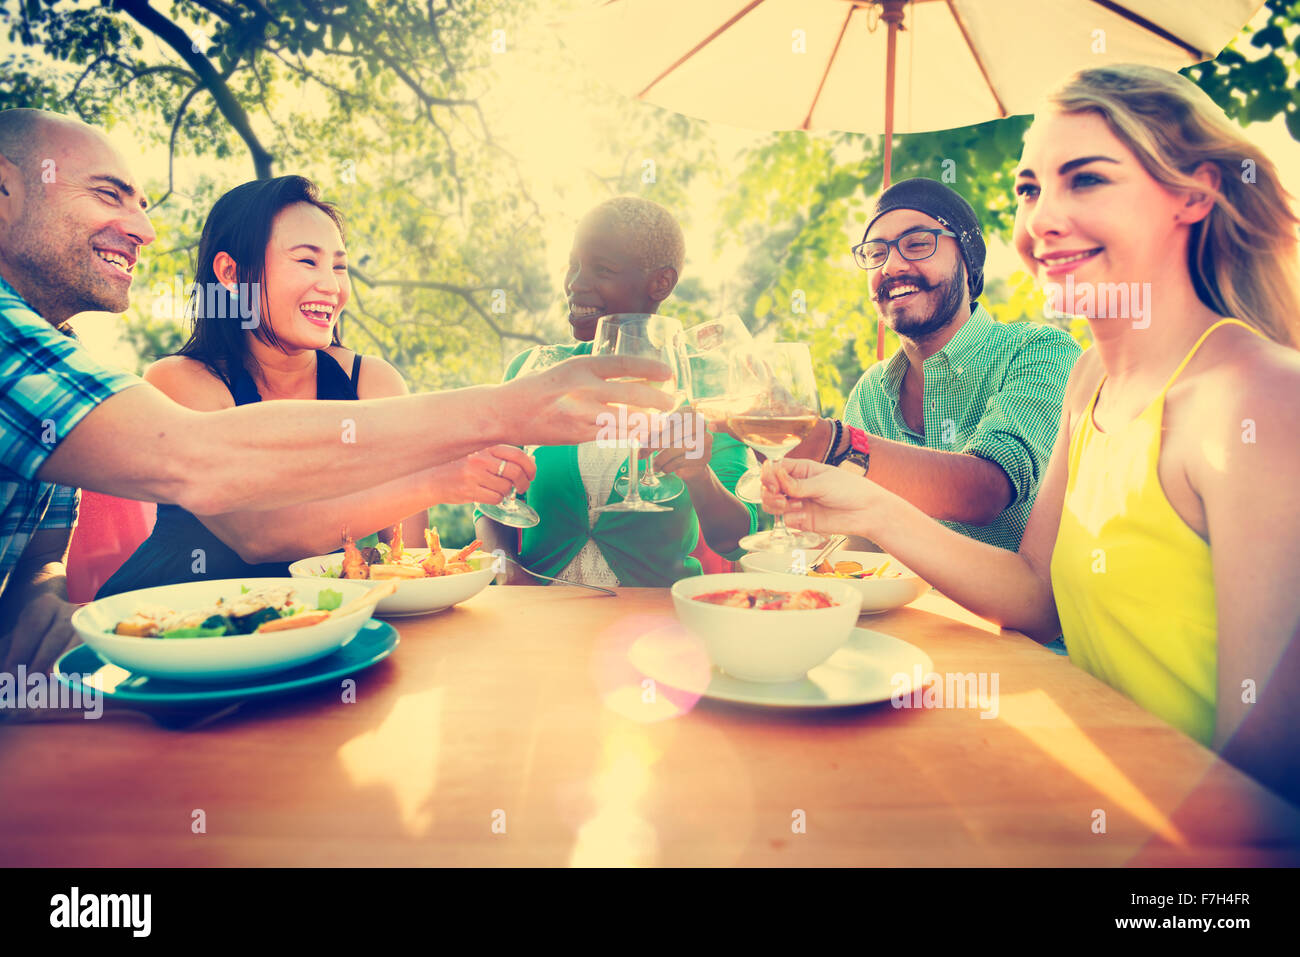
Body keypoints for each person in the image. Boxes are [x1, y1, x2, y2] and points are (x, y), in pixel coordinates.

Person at [760, 65, 1300, 804]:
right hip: (1085, 781)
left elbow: (1268, 789)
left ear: (1192, 195)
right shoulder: (1090, 383)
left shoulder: (1260, 399)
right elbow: (1035, 592)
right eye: (1029, 188)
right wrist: (859, 507)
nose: (1042, 217)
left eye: (1085, 180)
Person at [0, 109, 671, 675]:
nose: (145, 229)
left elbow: (36, 557)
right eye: (109, 194)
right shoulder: (170, 382)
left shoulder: (58, 367)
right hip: (182, 660)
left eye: (340, 266)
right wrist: (489, 423)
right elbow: (244, 509)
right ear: (231, 276)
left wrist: (34, 605)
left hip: (320, 654)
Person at [97, 176, 527, 596]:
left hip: (326, 641)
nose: (332, 285)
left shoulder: (371, 382)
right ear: (230, 272)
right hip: (170, 635)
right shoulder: (181, 381)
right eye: (307, 261)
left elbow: (405, 564)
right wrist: (440, 479)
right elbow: (259, 537)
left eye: (339, 266)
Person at [786, 178, 1081, 552]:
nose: (891, 266)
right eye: (876, 254)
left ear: (967, 260)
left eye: (918, 244)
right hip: (912, 611)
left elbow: (985, 492)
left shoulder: (1039, 351)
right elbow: (862, 542)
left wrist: (831, 444)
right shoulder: (871, 392)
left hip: (1029, 611)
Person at [475, 196, 757, 586]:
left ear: (661, 283)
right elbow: (491, 500)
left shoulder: (705, 381)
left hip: (654, 629)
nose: (575, 284)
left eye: (601, 269)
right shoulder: (534, 370)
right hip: (536, 621)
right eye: (573, 265)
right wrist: (507, 573)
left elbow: (737, 541)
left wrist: (698, 475)